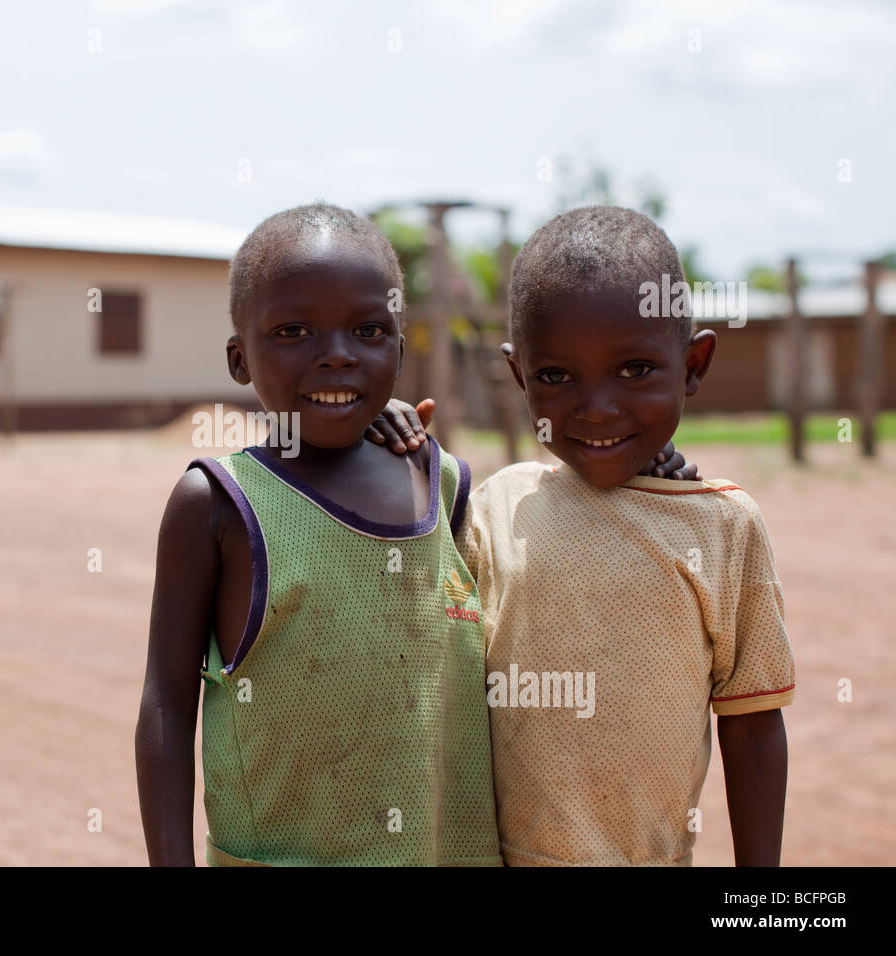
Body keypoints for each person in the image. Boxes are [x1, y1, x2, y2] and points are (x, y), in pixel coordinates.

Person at [382, 205, 793, 866]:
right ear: (520, 378)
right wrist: (385, 443)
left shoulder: (722, 527)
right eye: (556, 377)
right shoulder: (496, 508)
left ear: (693, 365)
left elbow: (751, 725)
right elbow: (406, 630)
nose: (597, 407)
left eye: (634, 370)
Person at [134, 202, 502, 866]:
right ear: (239, 359)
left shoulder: (440, 484)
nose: (336, 357)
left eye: (368, 330)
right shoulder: (218, 505)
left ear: (398, 343)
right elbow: (166, 703)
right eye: (294, 330)